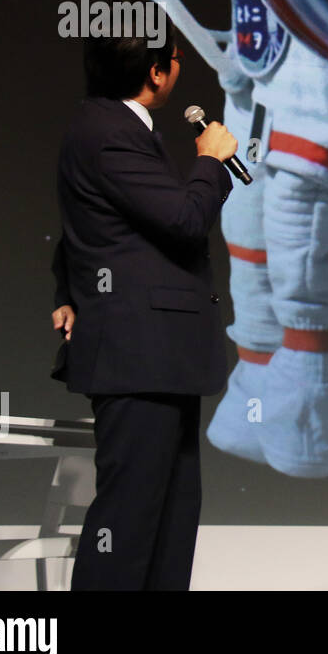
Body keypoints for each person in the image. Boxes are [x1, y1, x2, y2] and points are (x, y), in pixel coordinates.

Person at [50, 32, 239, 589]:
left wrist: (66, 291)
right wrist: (210, 162)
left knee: (171, 522)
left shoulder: (114, 128)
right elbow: (183, 219)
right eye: (176, 59)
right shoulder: (109, 133)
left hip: (162, 356)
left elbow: (85, 232)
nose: (178, 69)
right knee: (130, 523)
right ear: (156, 73)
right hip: (139, 352)